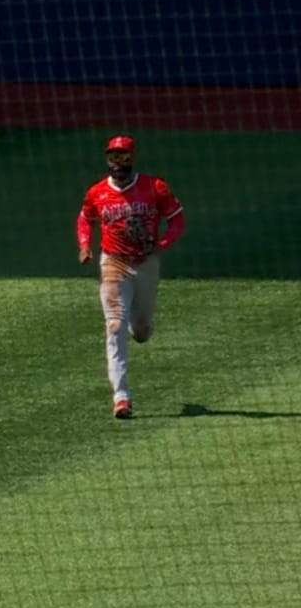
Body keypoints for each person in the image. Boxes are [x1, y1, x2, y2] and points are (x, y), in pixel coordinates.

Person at [77, 134, 186, 419]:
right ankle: (121, 397)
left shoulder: (154, 187)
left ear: (132, 158)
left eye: (123, 156)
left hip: (146, 263)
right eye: (113, 156)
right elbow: (85, 218)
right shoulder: (97, 192)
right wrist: (85, 245)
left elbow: (177, 219)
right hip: (113, 262)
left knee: (140, 331)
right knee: (113, 326)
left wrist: (160, 245)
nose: (118, 162)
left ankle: (138, 326)